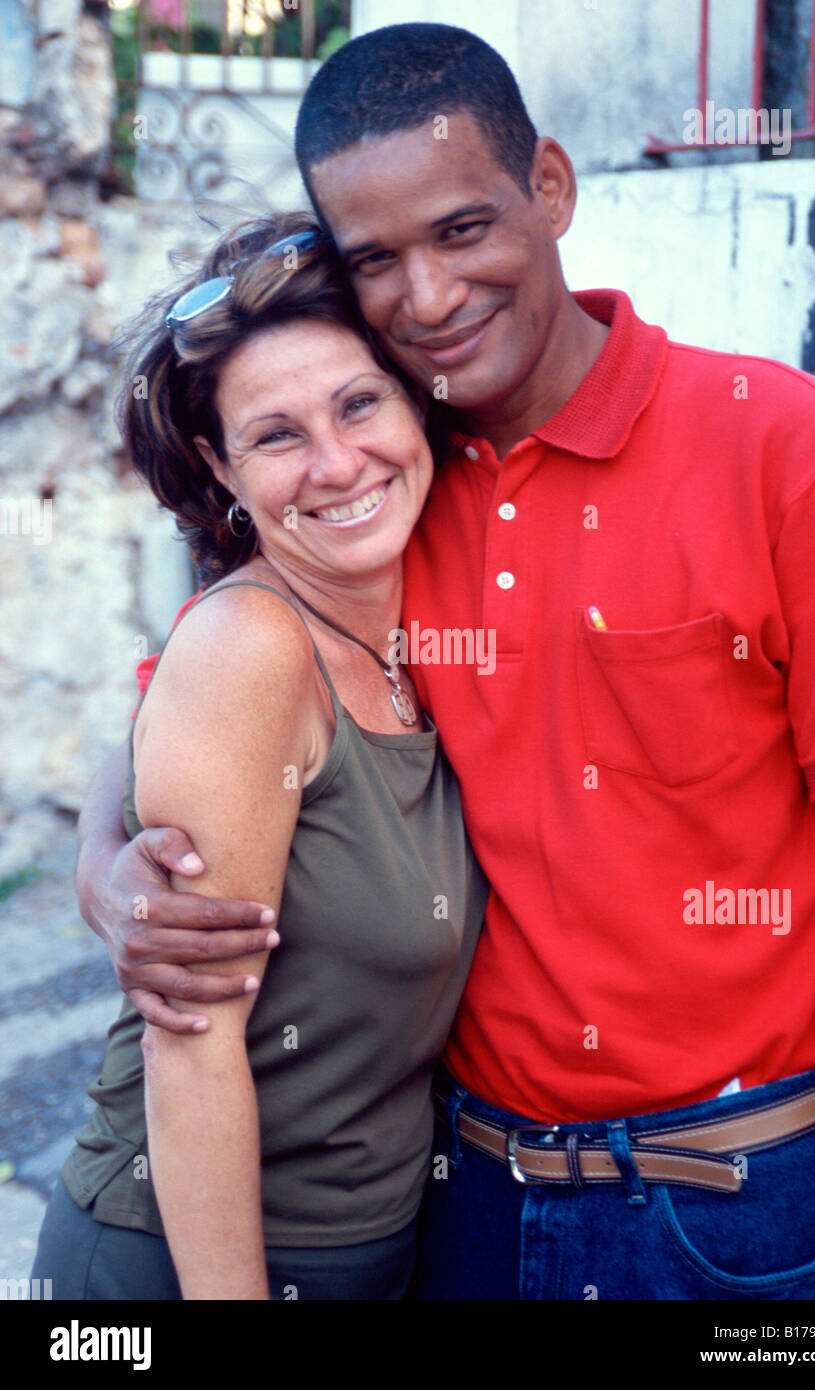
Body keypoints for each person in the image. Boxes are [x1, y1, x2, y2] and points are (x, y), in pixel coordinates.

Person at [75, 24, 815, 1300]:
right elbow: (184, 699)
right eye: (378, 262)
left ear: (550, 189)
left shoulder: (786, 447)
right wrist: (105, 871)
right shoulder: (390, 486)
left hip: (738, 1204)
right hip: (466, 1201)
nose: (431, 298)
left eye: (463, 231)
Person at [30, 210, 487, 1300]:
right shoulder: (253, 644)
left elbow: (154, 737)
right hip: (191, 1263)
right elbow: (191, 1051)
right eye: (277, 435)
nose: (338, 463)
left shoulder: (421, 614)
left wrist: (103, 847)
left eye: (358, 402)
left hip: (378, 1245)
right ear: (219, 466)